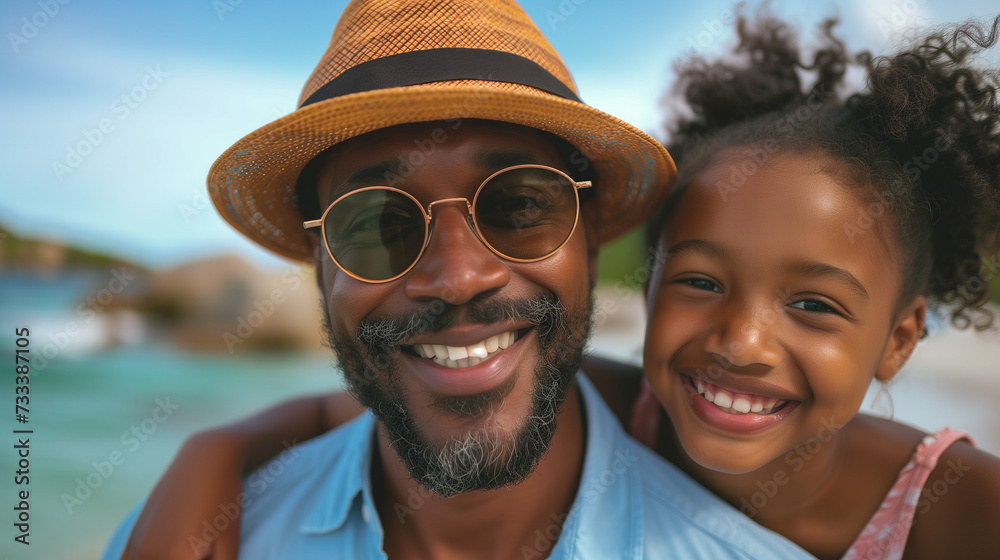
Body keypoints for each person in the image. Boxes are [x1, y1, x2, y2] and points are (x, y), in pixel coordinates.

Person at [114, 8, 1000, 560]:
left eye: (520, 205)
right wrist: (211, 454)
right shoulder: (214, 528)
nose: (457, 277)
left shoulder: (961, 506)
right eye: (377, 225)